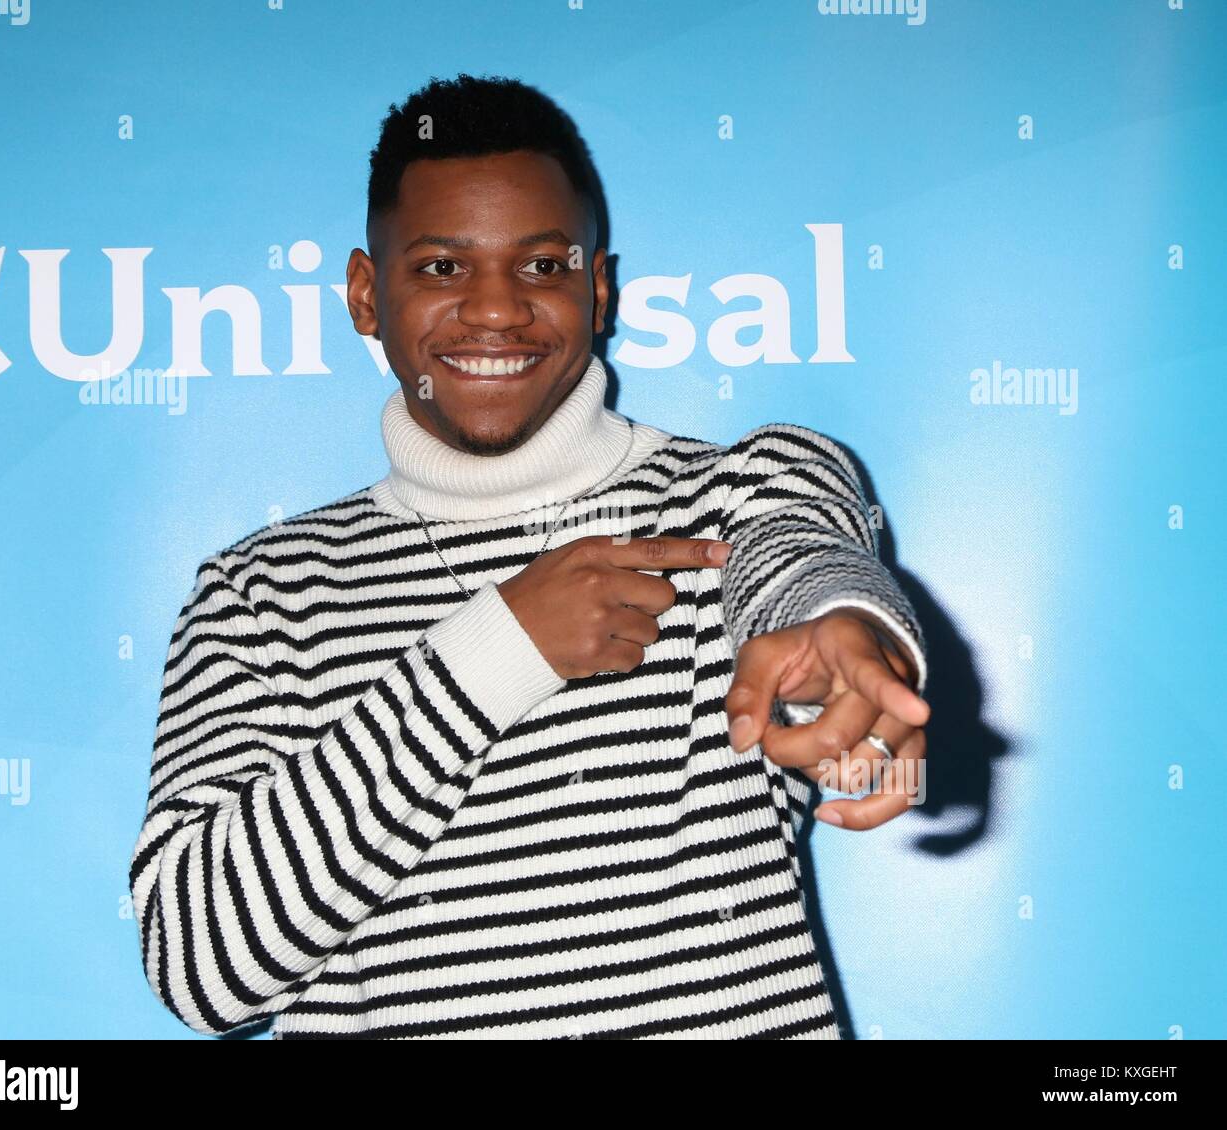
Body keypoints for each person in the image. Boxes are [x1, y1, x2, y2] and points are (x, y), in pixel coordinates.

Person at [128, 73, 930, 1040]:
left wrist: (843, 641)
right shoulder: (261, 595)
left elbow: (799, 559)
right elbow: (198, 966)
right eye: (440, 268)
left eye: (543, 267)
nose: (497, 310)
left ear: (598, 289)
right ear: (364, 294)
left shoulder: (735, 490)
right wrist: (498, 647)